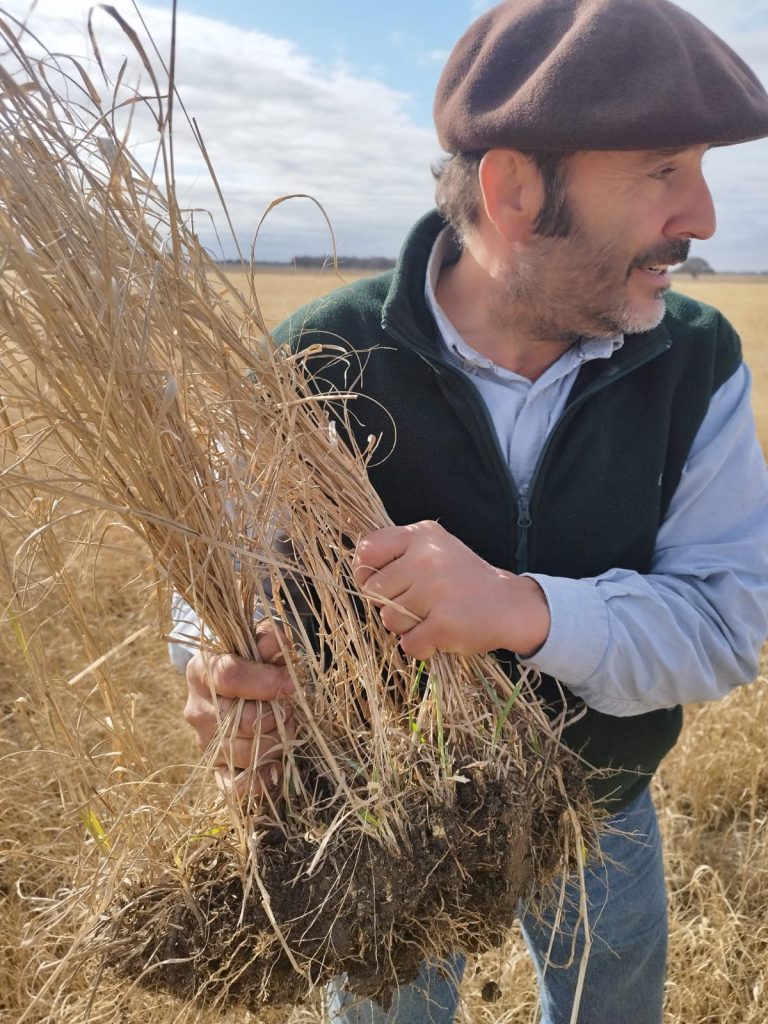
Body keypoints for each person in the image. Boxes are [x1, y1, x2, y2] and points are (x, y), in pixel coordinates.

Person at [180, 1, 768, 1021]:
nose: (705, 216)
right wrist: (217, 673)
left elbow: (727, 620)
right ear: (513, 189)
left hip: (602, 810)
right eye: (664, 170)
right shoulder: (310, 364)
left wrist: (521, 608)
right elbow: (210, 595)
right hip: (373, 825)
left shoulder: (696, 362)